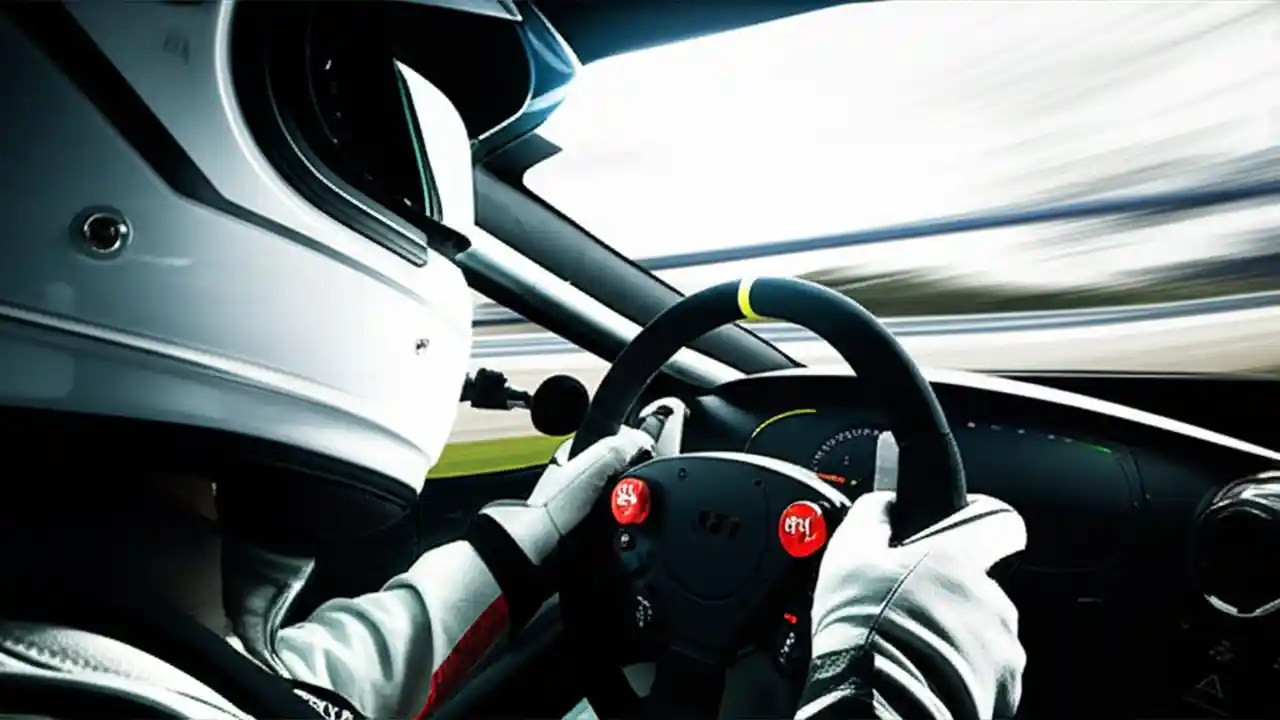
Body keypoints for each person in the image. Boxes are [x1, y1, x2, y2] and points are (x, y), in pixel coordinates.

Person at [0, 2, 1026, 719]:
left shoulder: (91, 648)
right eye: (335, 135)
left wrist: (535, 533)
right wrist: (890, 683)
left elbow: (298, 695)